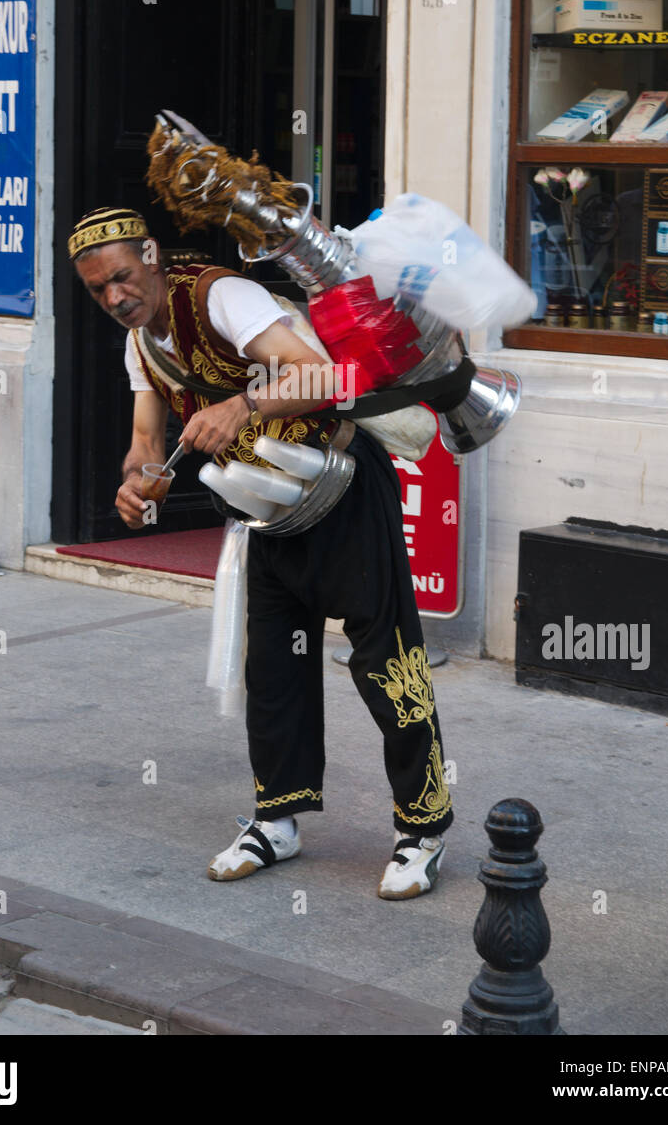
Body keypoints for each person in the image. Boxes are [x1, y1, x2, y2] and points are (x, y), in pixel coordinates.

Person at [69, 206, 453, 899]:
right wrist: (137, 483)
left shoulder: (220, 295)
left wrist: (242, 409)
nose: (115, 297)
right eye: (98, 290)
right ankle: (277, 818)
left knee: (384, 660)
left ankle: (420, 828)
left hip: (343, 490)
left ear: (151, 256)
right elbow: (146, 441)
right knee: (272, 666)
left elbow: (320, 375)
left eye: (122, 278)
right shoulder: (141, 344)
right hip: (268, 511)